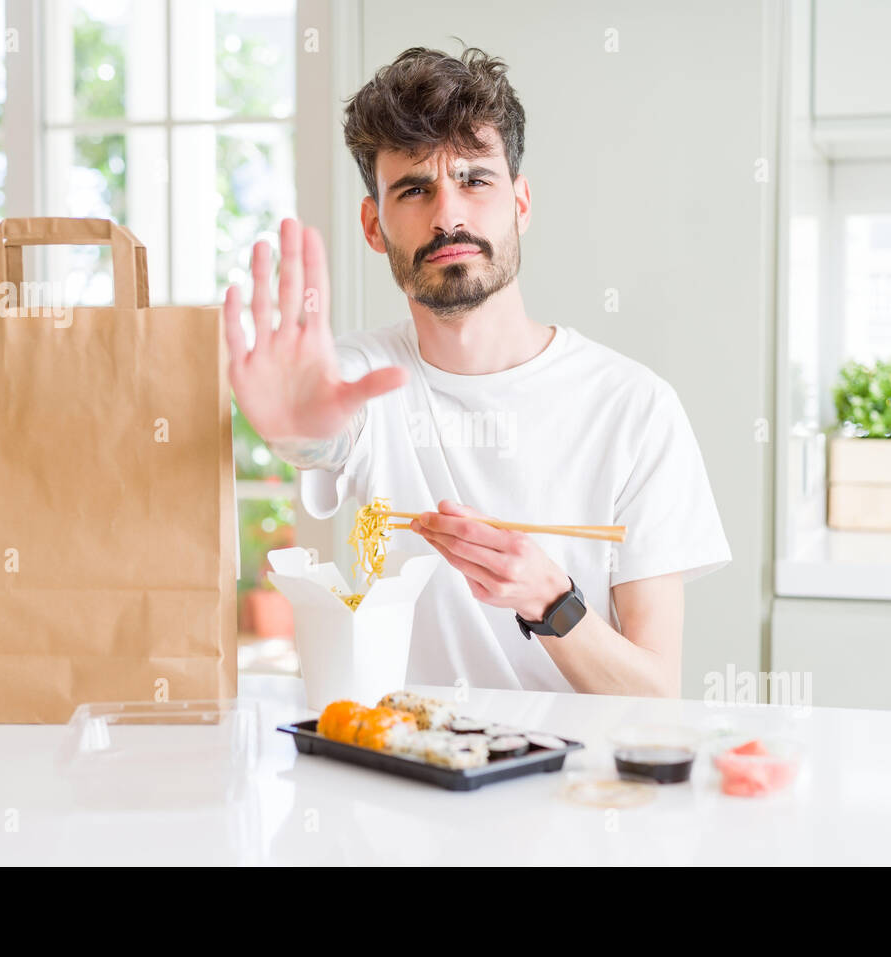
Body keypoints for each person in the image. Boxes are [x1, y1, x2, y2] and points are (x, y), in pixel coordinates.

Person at [223, 45, 730, 696]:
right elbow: (327, 433)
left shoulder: (636, 408)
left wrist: (550, 600)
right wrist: (299, 434)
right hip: (401, 772)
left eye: (474, 179)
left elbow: (654, 697)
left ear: (520, 202)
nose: (448, 215)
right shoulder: (362, 375)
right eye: (415, 188)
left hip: (573, 788)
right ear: (374, 225)